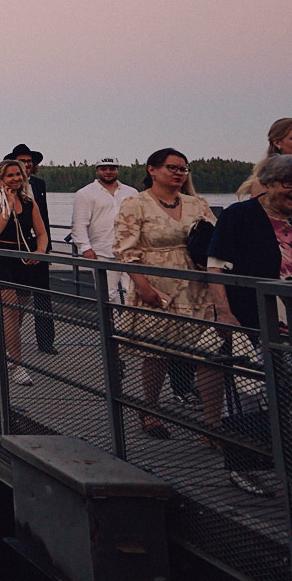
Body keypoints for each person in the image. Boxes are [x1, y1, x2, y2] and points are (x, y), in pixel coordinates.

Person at [204, 153, 292, 493]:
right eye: (289, 183)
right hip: (255, 317)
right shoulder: (239, 215)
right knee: (251, 395)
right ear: (267, 184)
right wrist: (224, 312)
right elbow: (216, 265)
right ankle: (245, 467)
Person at [113, 148, 219, 440]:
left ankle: (212, 425)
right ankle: (150, 409)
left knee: (207, 351)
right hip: (157, 288)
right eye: (172, 167)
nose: (179, 173)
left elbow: (215, 240)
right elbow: (124, 250)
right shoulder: (136, 204)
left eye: (183, 169)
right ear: (152, 169)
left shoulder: (197, 203)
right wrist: (143, 287)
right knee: (157, 353)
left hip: (197, 288)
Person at [0, 158, 49, 388]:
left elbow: (41, 233)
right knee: (11, 309)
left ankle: (8, 345)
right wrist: (6, 205)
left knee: (20, 308)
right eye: (10, 176)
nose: (15, 179)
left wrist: (39, 252)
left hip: (22, 258)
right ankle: (17, 364)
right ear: (0, 179)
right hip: (0, 258)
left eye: (18, 174)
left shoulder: (29, 203)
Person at [4, 144, 58, 352]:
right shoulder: (5, 186)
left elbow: (44, 216)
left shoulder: (38, 184)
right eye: (22, 161)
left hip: (39, 246)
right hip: (16, 247)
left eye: (29, 161)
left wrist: (46, 246)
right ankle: (11, 340)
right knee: (19, 298)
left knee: (43, 294)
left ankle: (46, 342)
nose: (26, 164)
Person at [70, 159, 138, 306]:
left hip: (130, 251)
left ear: (117, 170)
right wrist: (85, 248)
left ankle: (128, 321)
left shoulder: (131, 192)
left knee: (133, 292)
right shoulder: (85, 193)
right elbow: (79, 224)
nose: (108, 172)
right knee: (107, 295)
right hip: (101, 251)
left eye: (112, 168)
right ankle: (110, 321)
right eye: (104, 169)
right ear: (97, 171)